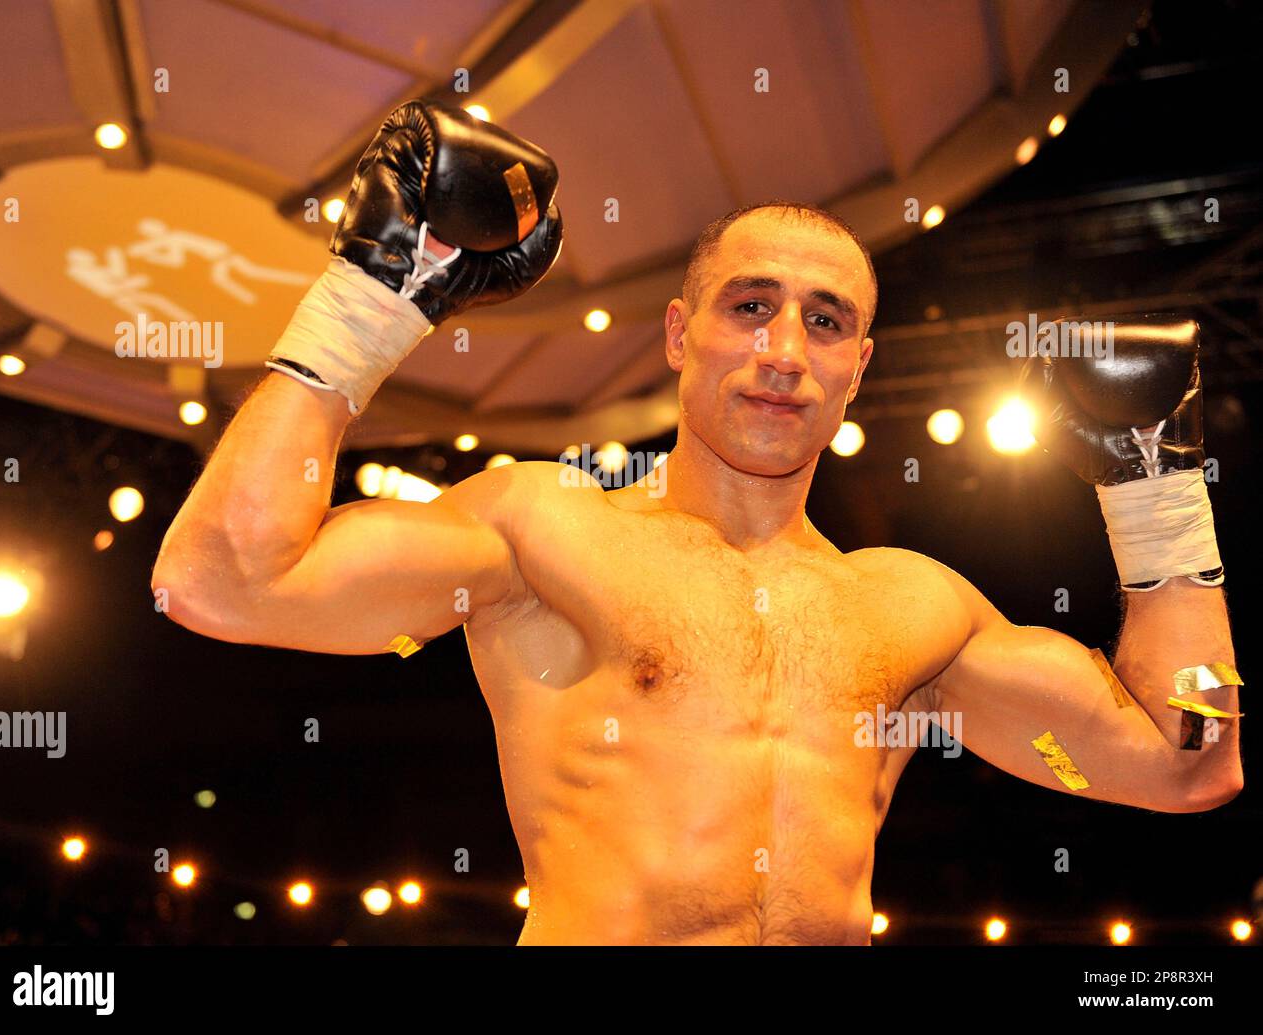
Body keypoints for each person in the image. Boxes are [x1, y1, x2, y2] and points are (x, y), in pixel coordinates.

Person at [153, 101, 1242, 945]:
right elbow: (219, 582)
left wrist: (1157, 492)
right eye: (749, 306)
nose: (783, 353)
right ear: (679, 335)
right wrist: (371, 295)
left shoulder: (917, 607)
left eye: (826, 323)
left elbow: (1185, 765)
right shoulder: (544, 531)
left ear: (859, 370)